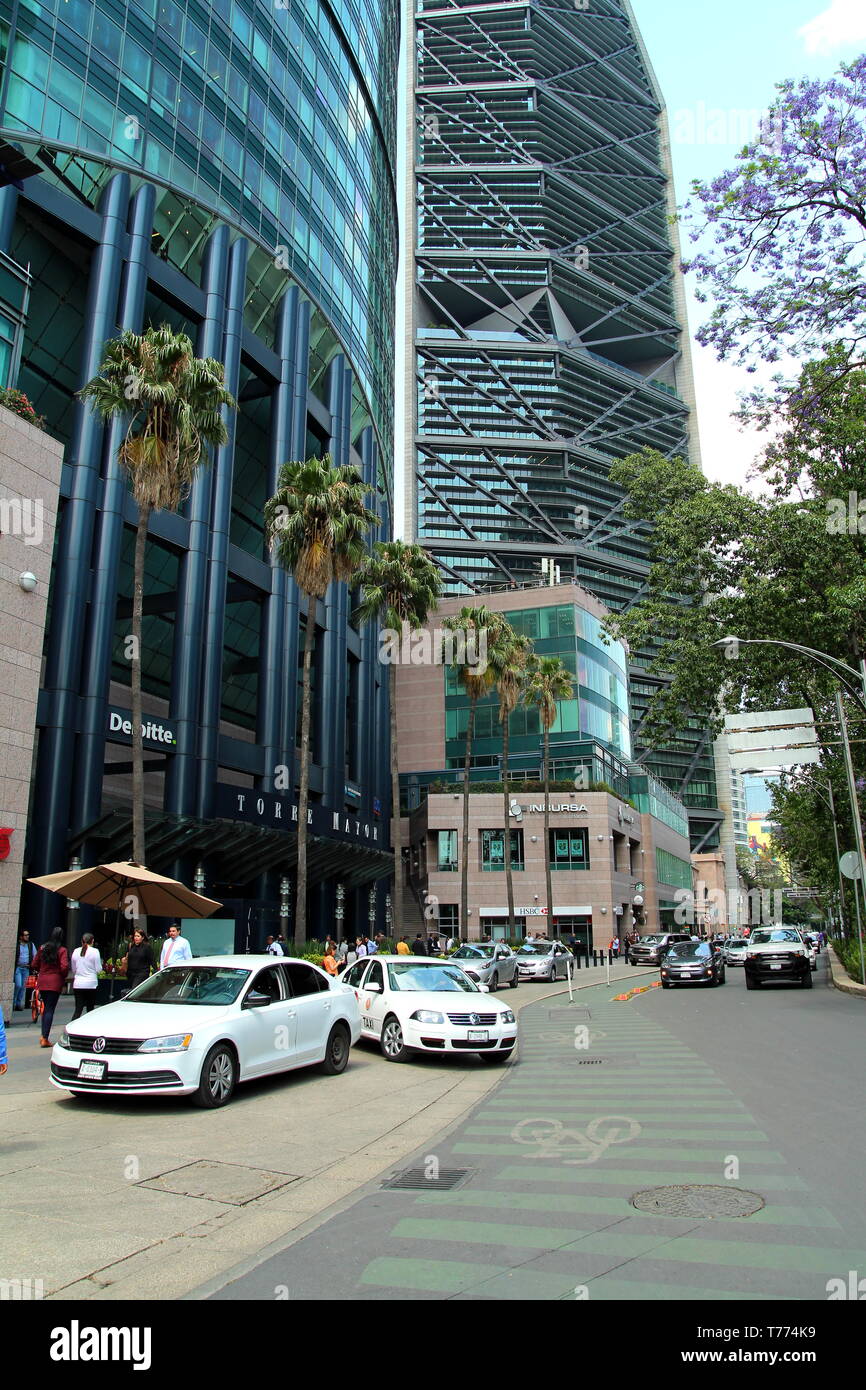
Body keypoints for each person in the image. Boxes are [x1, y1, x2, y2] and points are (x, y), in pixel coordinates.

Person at [32, 927, 69, 1047]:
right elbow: (64, 967)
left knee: (46, 1009)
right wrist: (61, 976)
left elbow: (34, 964)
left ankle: (43, 1036)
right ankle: (44, 1037)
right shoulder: (62, 950)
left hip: (42, 980)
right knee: (49, 1009)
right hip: (55, 981)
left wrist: (42, 971)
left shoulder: (42, 948)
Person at [70, 932, 102, 1020]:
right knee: (90, 1008)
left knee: (78, 1009)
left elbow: (73, 969)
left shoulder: (76, 951)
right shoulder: (95, 951)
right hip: (91, 984)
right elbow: (98, 969)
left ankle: (72, 1026)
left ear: (82, 941)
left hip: (78, 983)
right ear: (93, 941)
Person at [123, 928, 152, 993]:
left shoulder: (146, 947)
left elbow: (152, 959)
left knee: (134, 991)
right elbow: (126, 956)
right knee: (130, 992)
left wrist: (155, 971)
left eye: (138, 936)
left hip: (142, 973)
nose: (136, 938)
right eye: (135, 936)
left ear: (142, 937)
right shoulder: (131, 945)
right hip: (131, 973)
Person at [13, 930, 36, 1011]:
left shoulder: (30, 945)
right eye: (25, 935)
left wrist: (33, 966)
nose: (27, 936)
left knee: (23, 987)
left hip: (26, 968)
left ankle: (18, 1004)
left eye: (28, 935)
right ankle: (14, 1003)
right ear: (21, 937)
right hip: (18, 968)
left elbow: (35, 956)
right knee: (18, 985)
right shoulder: (17, 945)